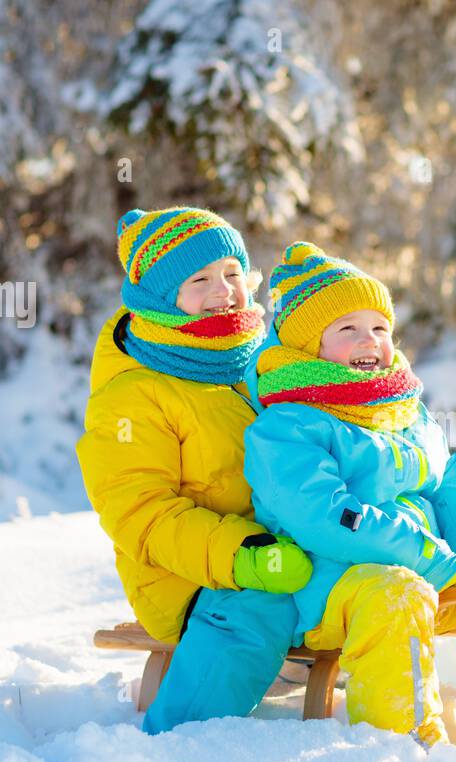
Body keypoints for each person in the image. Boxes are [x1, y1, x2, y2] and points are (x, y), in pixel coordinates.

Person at [243, 242, 456, 748]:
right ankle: (403, 741)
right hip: (338, 589)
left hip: (436, 571)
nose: (369, 340)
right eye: (347, 329)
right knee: (398, 593)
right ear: (308, 347)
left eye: (379, 328)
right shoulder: (288, 426)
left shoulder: (407, 412)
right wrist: (429, 557)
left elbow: (455, 491)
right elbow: (324, 516)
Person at [76, 207, 314, 734]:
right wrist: (244, 556)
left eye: (232, 273)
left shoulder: (263, 359)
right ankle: (180, 740)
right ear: (162, 298)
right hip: (186, 576)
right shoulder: (135, 392)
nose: (223, 290)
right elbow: (141, 514)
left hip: (291, 547)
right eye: (199, 279)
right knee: (260, 611)